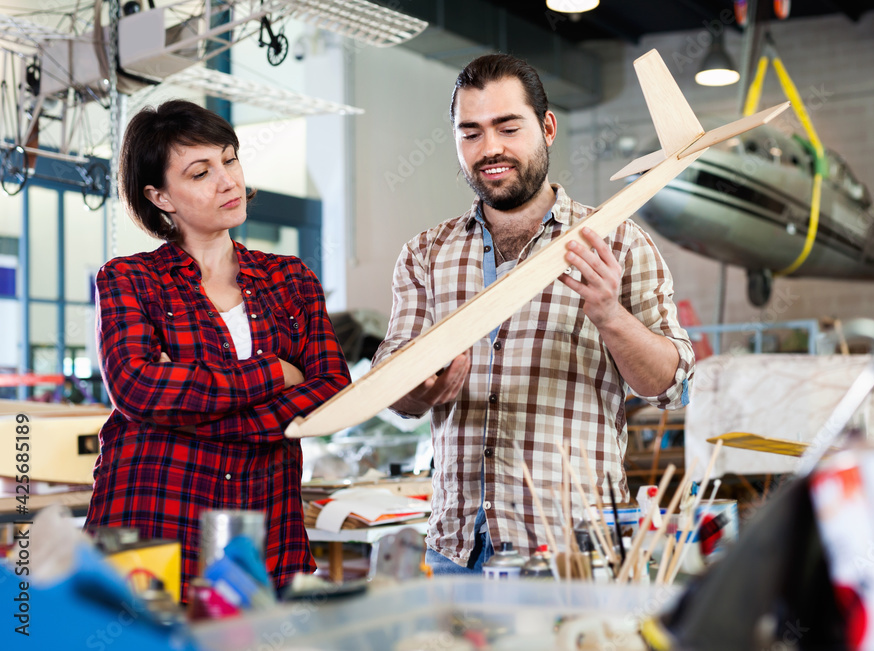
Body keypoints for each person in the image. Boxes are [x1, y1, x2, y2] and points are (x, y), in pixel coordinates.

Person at [372, 54, 695, 574]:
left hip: (571, 553)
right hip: (456, 551)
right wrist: (418, 389)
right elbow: (391, 387)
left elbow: (668, 386)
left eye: (507, 127)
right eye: (470, 132)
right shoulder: (425, 254)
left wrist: (610, 314)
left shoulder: (617, 243)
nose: (490, 149)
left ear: (546, 127)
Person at [85, 100, 351, 598]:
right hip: (155, 519)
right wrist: (276, 372)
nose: (228, 180)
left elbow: (333, 389)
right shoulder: (130, 279)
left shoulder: (290, 280)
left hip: (265, 525)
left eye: (230, 159)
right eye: (201, 172)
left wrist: (192, 411)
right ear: (160, 196)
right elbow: (139, 390)